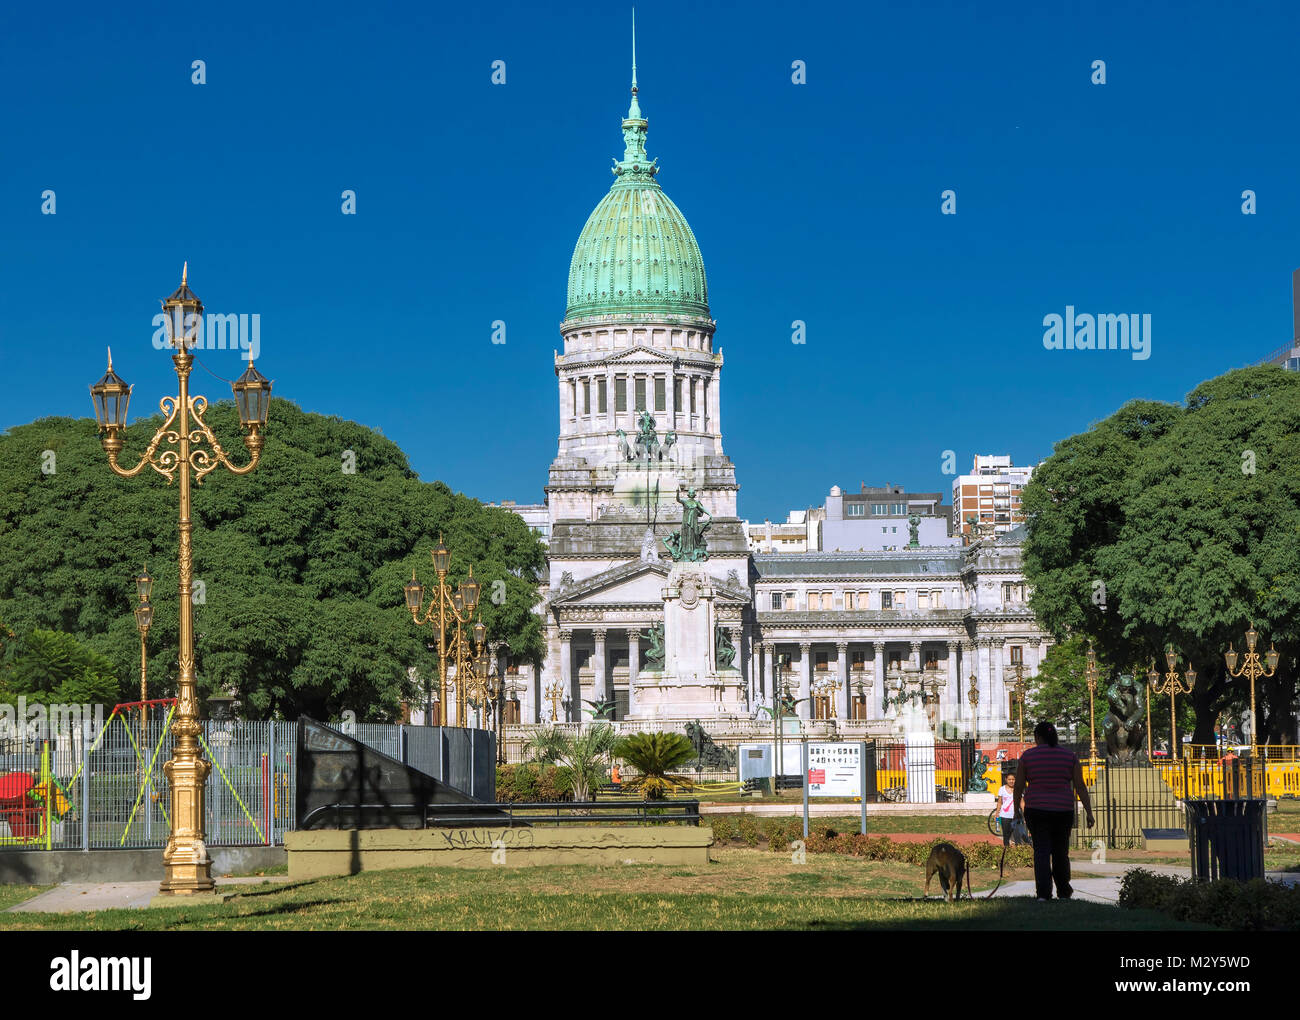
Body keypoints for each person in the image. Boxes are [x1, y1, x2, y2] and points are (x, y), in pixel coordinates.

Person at [1013, 721, 1094, 901]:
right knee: (1060, 852)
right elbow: (1080, 786)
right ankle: (1064, 891)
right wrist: (1089, 812)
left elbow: (1018, 785)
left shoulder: (1028, 756)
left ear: (1037, 737)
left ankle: (1043, 893)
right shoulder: (1069, 756)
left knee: (1041, 851)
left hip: (1036, 809)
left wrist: (1016, 809)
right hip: (1063, 810)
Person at [995, 772, 1020, 847]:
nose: (1011, 781)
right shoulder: (1002, 789)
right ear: (1006, 779)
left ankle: (1018, 853)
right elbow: (999, 802)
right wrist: (997, 813)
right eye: (1009, 779)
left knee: (1016, 835)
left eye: (1013, 779)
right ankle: (1006, 851)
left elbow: (1022, 802)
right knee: (1006, 836)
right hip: (1004, 816)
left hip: (1015, 816)